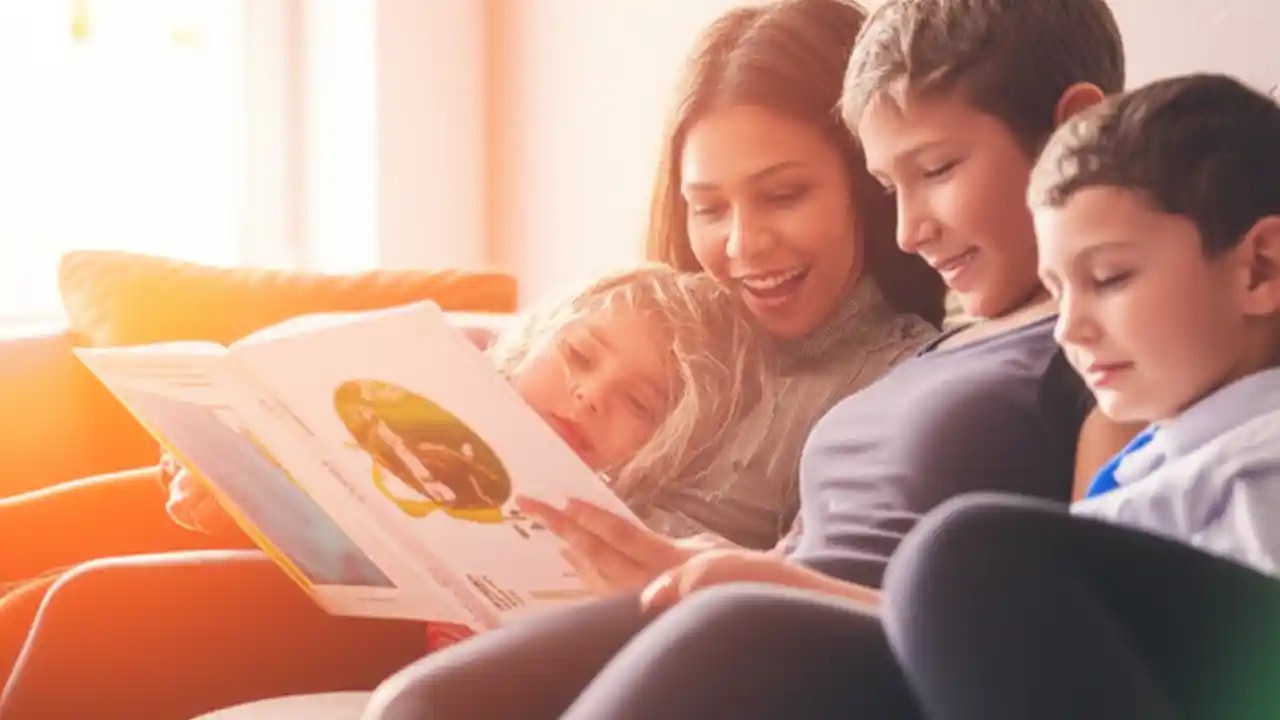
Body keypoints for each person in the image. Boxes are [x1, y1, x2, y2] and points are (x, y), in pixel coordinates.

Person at [0, 0, 951, 713]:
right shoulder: (667, 304)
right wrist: (259, 475)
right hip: (415, 569)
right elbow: (481, 358)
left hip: (531, 635)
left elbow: (808, 595)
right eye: (709, 207)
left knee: (96, 614)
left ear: (866, 181)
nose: (743, 245)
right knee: (49, 564)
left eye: (783, 196)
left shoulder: (890, 384)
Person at [338, 0, 1142, 717]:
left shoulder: (1107, 349)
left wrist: (760, 582)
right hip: (738, 600)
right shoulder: (944, 348)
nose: (908, 229)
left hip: (824, 639)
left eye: (935, 173)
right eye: (893, 186)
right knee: (423, 702)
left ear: (1075, 130)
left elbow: (1080, 638)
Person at [884, 72, 1280, 720]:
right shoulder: (1158, 459)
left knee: (969, 555)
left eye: (1108, 277)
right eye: (1057, 288)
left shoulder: (1261, 463)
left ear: (1259, 268)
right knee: (752, 635)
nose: (1069, 326)